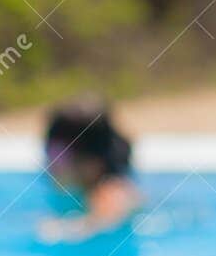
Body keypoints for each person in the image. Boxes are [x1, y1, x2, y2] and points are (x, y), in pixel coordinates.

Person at [38, 99, 143, 243]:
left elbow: (104, 221)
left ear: (92, 162)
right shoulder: (94, 188)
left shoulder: (110, 193)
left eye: (56, 154)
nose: (49, 163)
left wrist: (62, 229)